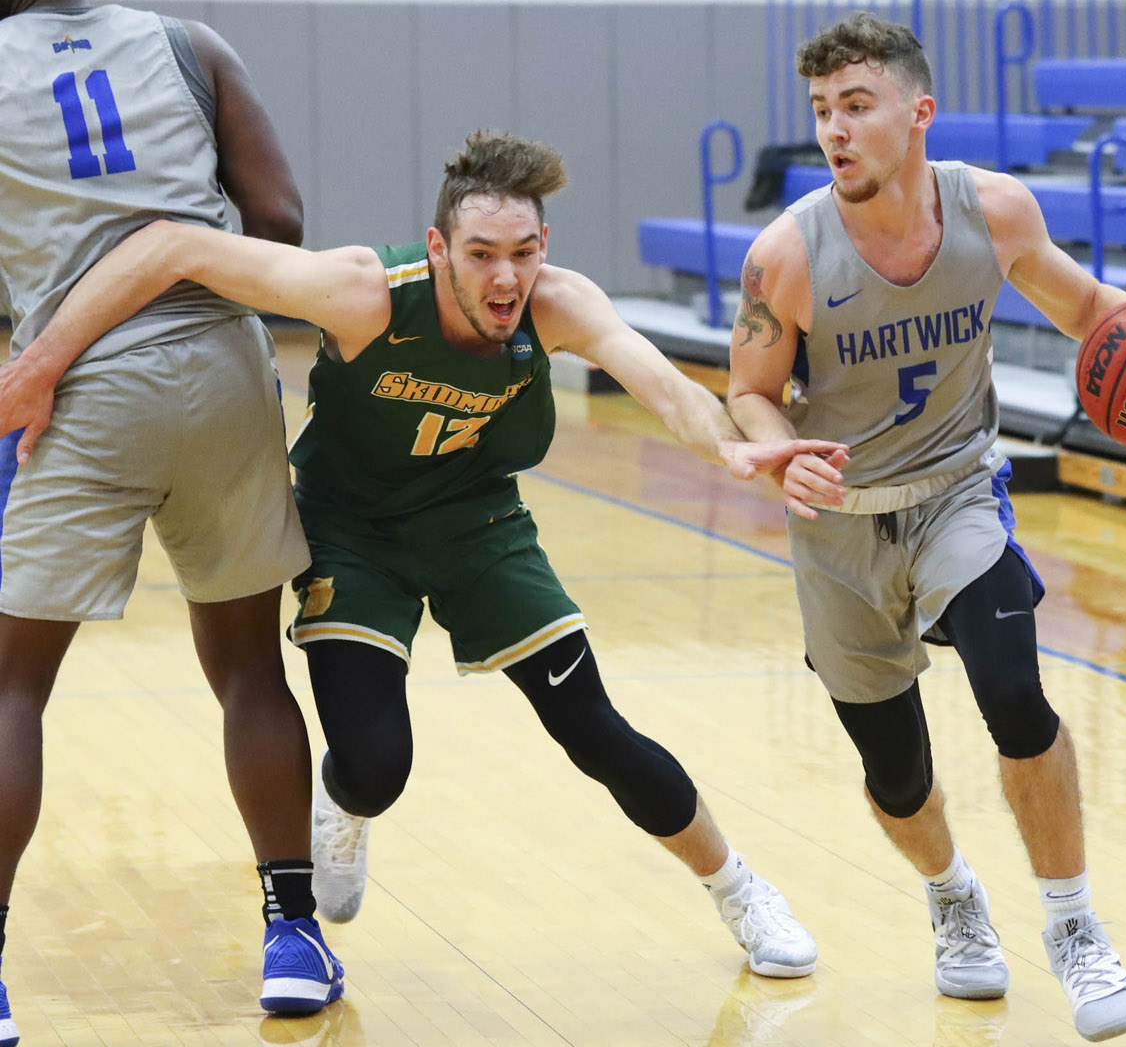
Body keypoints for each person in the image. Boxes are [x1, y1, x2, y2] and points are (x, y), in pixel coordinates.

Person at [6, 131, 843, 985]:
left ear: (545, 246)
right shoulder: (363, 293)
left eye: (523, 252)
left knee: (596, 731)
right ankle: (344, 807)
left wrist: (730, 449)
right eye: (481, 255)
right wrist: (40, 364)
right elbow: (173, 245)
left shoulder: (560, 303)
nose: (506, 278)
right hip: (352, 533)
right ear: (439, 248)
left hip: (477, 523)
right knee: (376, 767)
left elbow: (666, 389)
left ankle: (740, 890)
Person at [725, 13, 1126, 1043]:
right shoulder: (785, 256)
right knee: (897, 774)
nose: (834, 129)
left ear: (919, 111)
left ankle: (1075, 925)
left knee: (1015, 694)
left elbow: (1090, 310)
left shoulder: (994, 210)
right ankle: (953, 893)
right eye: (822, 110)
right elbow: (749, 390)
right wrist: (779, 450)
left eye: (856, 105)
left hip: (957, 490)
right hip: (843, 523)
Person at [0, 0, 342, 1028]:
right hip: (224, 370)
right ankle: (294, 936)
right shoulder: (191, 46)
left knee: (11, 687)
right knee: (248, 668)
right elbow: (278, 220)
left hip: (76, 386)